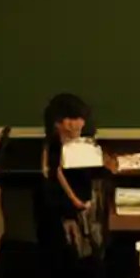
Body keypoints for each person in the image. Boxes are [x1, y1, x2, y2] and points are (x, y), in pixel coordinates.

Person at [40, 93, 102, 259]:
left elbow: (93, 178)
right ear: (56, 124)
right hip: (64, 213)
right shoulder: (52, 151)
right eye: (67, 119)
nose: (74, 125)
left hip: (87, 211)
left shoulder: (87, 147)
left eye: (78, 118)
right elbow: (56, 177)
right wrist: (75, 203)